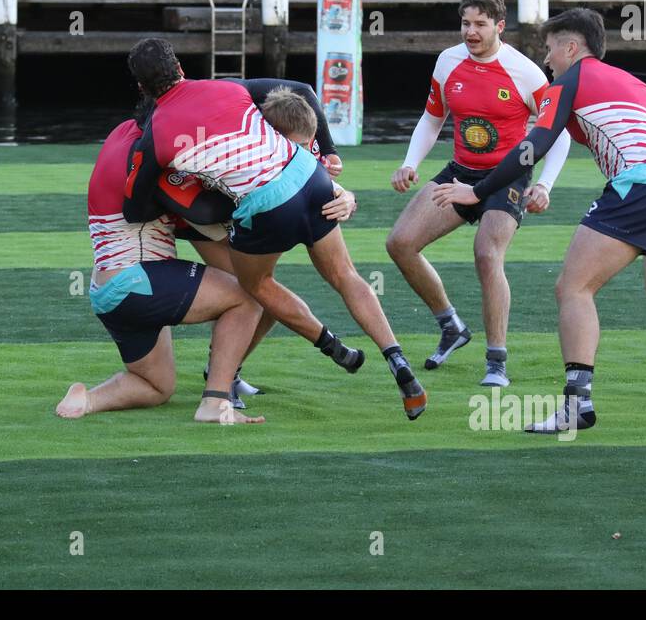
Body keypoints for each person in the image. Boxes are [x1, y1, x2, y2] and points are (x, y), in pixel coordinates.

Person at [434, 8, 646, 433]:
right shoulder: (631, 81)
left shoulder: (568, 81)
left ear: (572, 48)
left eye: (550, 50)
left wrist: (476, 191)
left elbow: (533, 146)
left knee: (573, 287)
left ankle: (576, 407)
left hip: (641, 188)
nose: (546, 61)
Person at [123, 38, 428, 420]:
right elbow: (300, 90)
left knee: (255, 289)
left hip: (263, 206)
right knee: (346, 275)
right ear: (181, 68)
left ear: (141, 87)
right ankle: (396, 358)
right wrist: (329, 152)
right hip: (308, 176)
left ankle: (328, 345)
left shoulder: (156, 134)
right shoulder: (227, 87)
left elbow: (134, 209)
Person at [386, 0, 570, 384]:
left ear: (500, 27)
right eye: (466, 23)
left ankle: (496, 361)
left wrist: (546, 184)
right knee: (400, 243)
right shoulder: (447, 61)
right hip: (460, 173)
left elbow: (559, 131)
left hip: (507, 178)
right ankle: (451, 325)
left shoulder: (525, 72)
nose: (471, 32)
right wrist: (409, 164)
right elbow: (432, 118)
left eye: (480, 24)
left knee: (486, 254)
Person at [56, 115, 265, 425]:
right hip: (138, 280)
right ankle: (216, 402)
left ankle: (86, 399)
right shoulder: (157, 156)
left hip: (106, 292)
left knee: (157, 386)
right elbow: (208, 218)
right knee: (249, 298)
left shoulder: (122, 134)